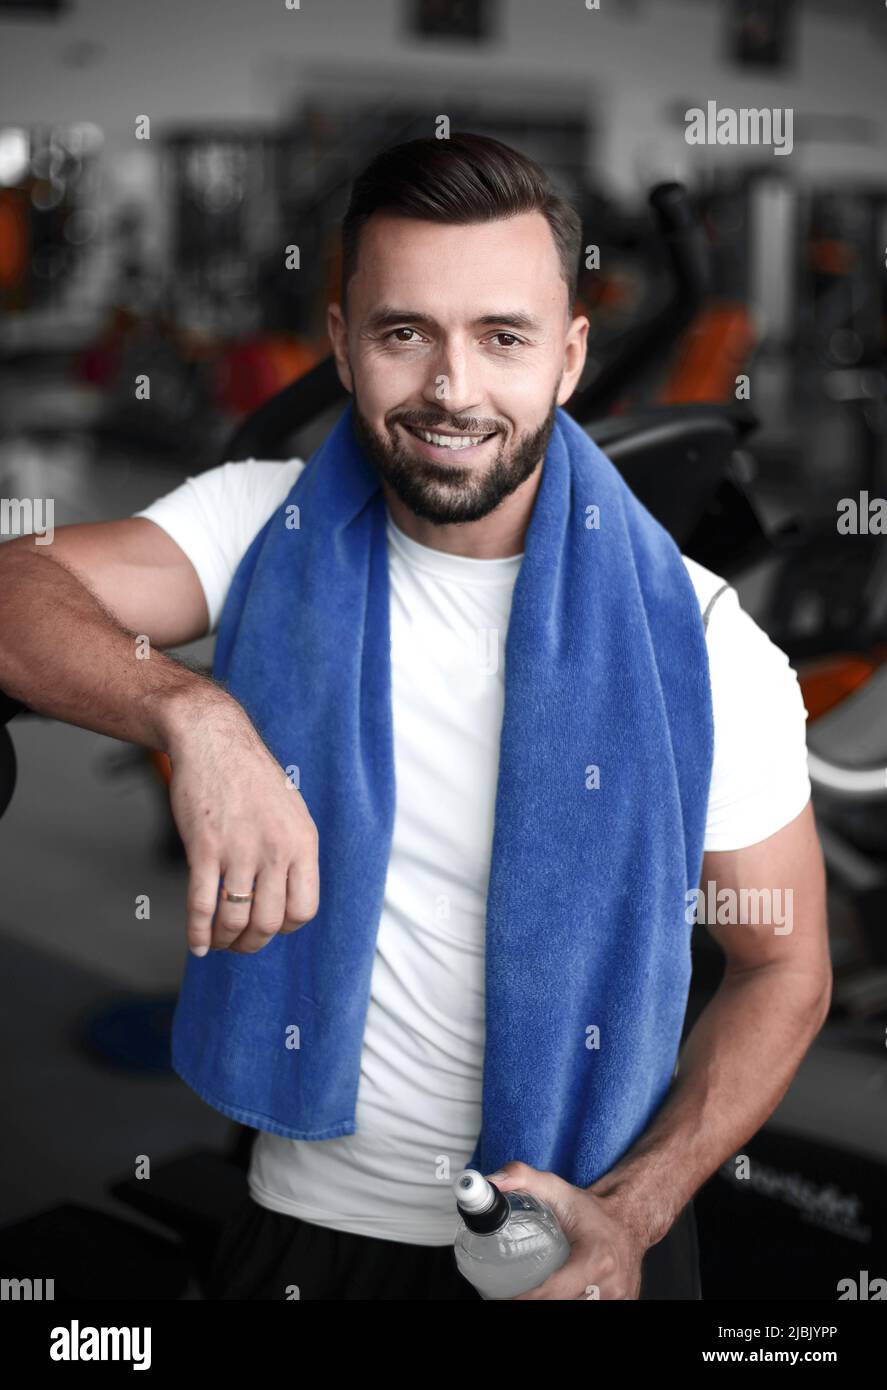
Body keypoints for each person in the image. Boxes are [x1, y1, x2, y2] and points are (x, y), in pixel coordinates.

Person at [0, 133, 831, 1301]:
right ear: (341, 345)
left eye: (502, 336)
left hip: (571, 1239)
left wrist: (634, 1213)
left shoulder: (698, 645)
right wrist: (192, 715)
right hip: (306, 1223)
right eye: (404, 332)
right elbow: (12, 589)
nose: (450, 388)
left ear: (568, 356)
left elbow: (783, 967)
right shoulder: (256, 523)